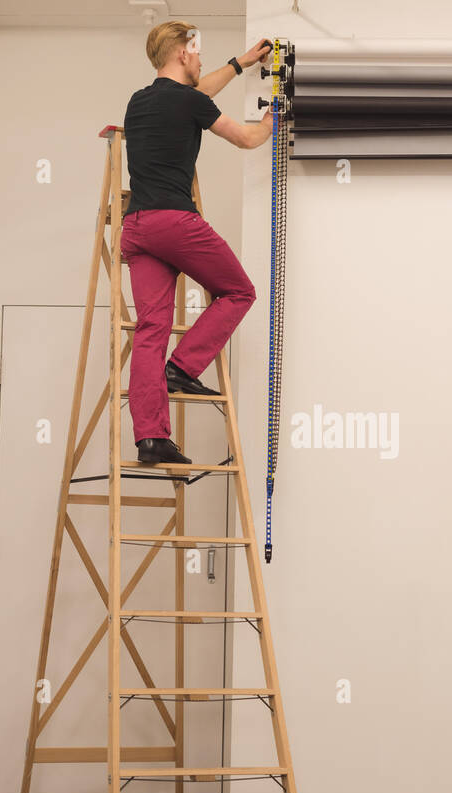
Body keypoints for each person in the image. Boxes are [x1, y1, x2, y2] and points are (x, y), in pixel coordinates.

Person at [120, 20, 275, 465]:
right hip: (174, 221)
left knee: (152, 330)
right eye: (199, 53)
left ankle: (150, 438)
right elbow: (248, 139)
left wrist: (240, 64)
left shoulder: (140, 100)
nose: (202, 60)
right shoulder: (189, 101)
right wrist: (276, 114)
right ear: (185, 53)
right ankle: (183, 367)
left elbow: (197, 94)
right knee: (240, 291)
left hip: (137, 228)